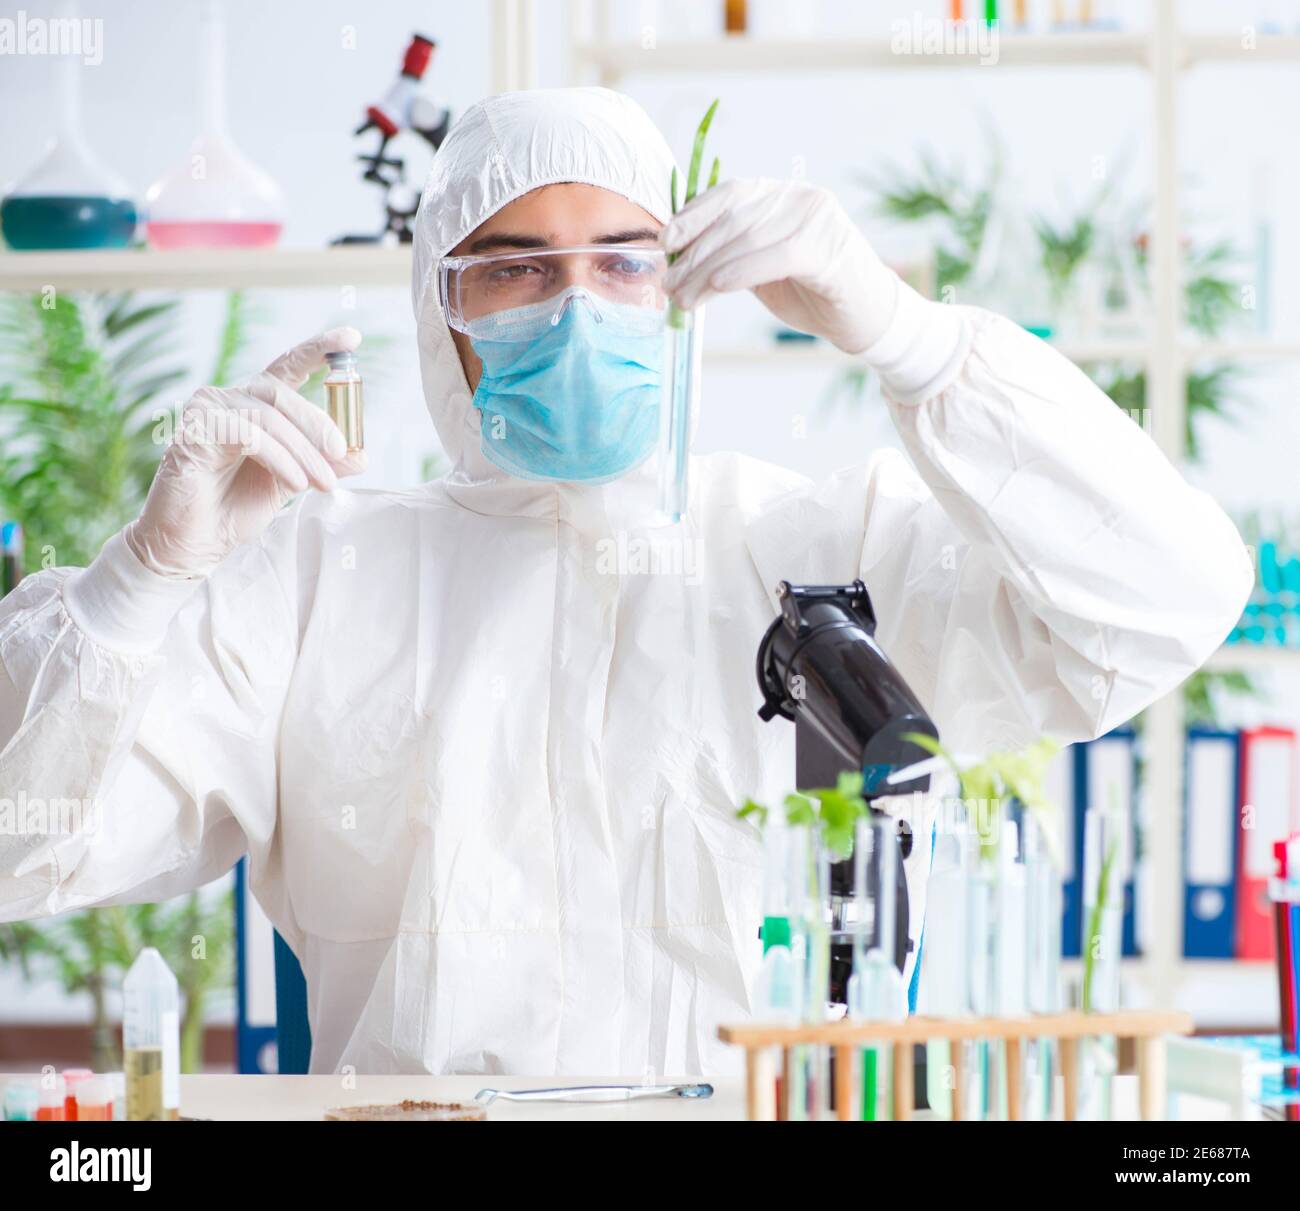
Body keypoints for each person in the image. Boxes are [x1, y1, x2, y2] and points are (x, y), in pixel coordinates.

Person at [0, 88, 1250, 1075]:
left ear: (682, 286)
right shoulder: (314, 572)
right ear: (440, 307)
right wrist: (141, 582)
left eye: (623, 262)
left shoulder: (818, 554)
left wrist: (907, 335)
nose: (578, 308)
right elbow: (25, 852)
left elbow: (1164, 598)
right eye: (516, 268)